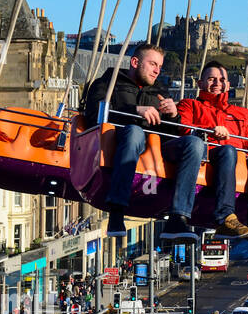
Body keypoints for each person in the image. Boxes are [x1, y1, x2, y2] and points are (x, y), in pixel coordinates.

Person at [82, 43, 207, 241]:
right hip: (121, 141)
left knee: (194, 144)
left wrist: (173, 116)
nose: (157, 70)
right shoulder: (106, 83)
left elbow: (170, 133)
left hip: (157, 147)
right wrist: (135, 110)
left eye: (159, 66)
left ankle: (178, 217)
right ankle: (117, 210)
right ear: (134, 62)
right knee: (134, 132)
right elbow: (93, 115)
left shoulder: (160, 90)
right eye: (152, 64)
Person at [176, 63, 248, 241]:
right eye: (211, 79)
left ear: (228, 85)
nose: (217, 83)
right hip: (209, 156)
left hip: (237, 160)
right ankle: (225, 217)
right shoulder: (189, 105)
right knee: (228, 151)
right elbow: (183, 130)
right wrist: (209, 130)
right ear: (200, 84)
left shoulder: (243, 114)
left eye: (222, 80)